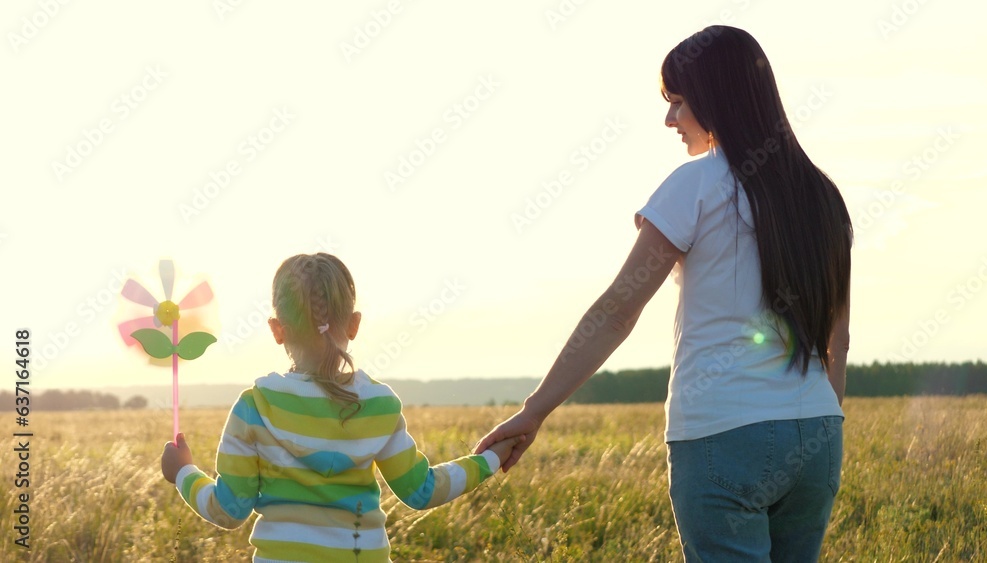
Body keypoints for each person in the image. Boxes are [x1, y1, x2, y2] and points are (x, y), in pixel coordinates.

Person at [476, 25, 851, 562]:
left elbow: (617, 311)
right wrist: (815, 422)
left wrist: (534, 411)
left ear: (716, 97)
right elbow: (838, 337)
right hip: (817, 434)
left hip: (722, 433)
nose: (670, 119)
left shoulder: (695, 185)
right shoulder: (823, 195)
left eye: (678, 102)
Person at [161, 253, 522, 562]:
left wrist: (183, 472)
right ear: (354, 324)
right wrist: (490, 459)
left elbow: (229, 510)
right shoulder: (379, 405)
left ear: (277, 329)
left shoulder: (254, 407)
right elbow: (422, 491)